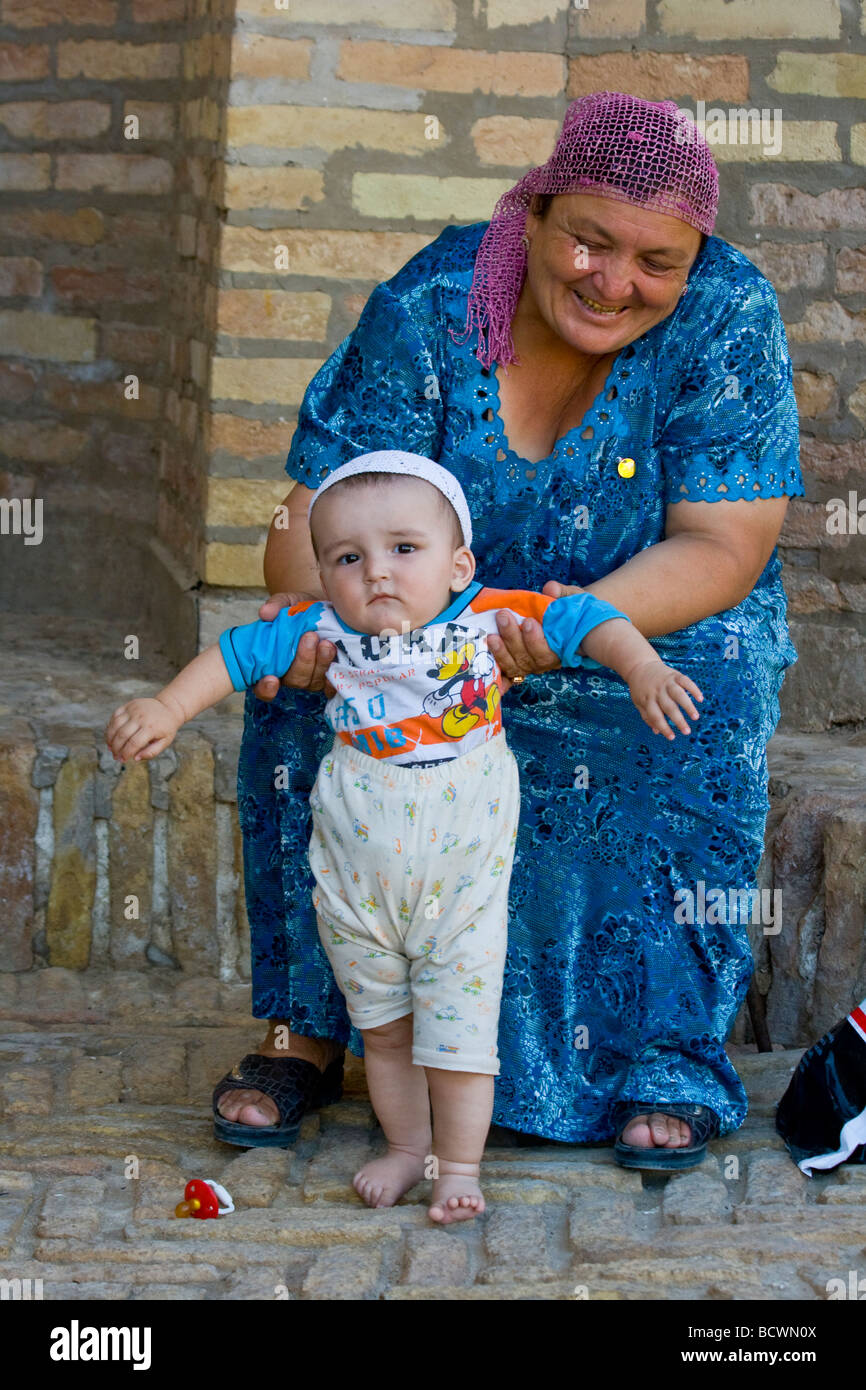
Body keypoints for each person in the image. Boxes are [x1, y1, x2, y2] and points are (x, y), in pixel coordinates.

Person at [213, 90, 803, 1171]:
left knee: (699, 682)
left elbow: (725, 545)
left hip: (636, 611)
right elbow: (312, 520)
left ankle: (657, 1059)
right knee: (311, 672)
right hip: (432, 620)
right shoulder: (433, 302)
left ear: (693, 258)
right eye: (587, 240)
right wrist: (325, 614)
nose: (613, 281)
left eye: (654, 261)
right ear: (532, 214)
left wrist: (570, 627)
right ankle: (307, 1025)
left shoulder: (727, 315)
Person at [106, 449, 703, 1219]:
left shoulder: (488, 616)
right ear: (324, 574)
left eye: (404, 550)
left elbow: (587, 618)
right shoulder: (321, 630)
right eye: (348, 558)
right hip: (358, 886)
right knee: (384, 1035)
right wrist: (166, 708)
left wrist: (643, 668)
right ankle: (401, 1148)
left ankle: (458, 1167)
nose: (377, 573)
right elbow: (233, 654)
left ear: (459, 564)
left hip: (458, 891)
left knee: (457, 1041)